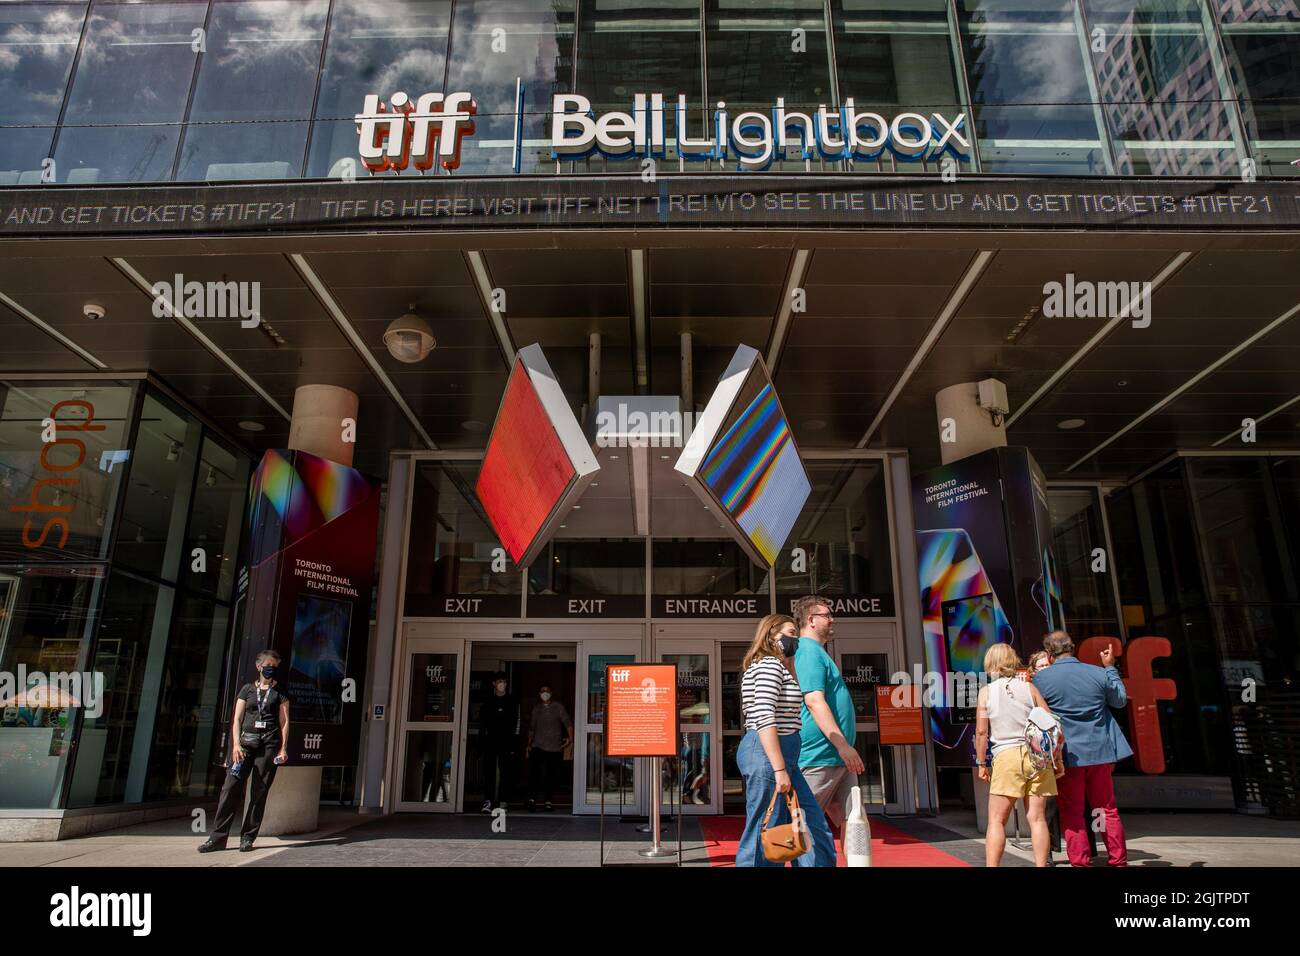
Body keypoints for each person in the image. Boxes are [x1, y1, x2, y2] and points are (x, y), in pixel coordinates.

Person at [736, 613, 836, 867]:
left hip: (784, 753)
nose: (796, 639)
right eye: (791, 634)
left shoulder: (778, 666)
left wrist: (789, 663)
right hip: (768, 751)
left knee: (809, 821)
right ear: (772, 636)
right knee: (765, 827)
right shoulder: (768, 666)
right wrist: (779, 768)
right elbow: (764, 716)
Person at [1032, 630, 1132, 867]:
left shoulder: (1041, 680)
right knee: (1105, 808)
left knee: (1072, 810)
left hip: (1068, 754)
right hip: (1101, 750)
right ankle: (1117, 860)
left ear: (1049, 653)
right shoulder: (1097, 672)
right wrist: (1110, 667)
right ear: (1073, 647)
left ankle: (1080, 861)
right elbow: (1119, 700)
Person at [975, 643, 1063, 867]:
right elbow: (1051, 724)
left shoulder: (986, 693)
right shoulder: (1029, 689)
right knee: (1037, 818)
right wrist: (1058, 759)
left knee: (996, 820)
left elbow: (982, 731)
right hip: (1037, 756)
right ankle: (1041, 865)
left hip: (1006, 756)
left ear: (990, 664)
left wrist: (981, 761)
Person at [199, 650, 290, 853]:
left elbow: (284, 722)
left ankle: (247, 838)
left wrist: (283, 748)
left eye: (274, 666)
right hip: (245, 746)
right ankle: (217, 838)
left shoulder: (280, 692)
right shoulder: (247, 690)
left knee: (259, 792)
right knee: (230, 789)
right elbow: (237, 719)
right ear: (258, 666)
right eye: (268, 665)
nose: (271, 669)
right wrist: (236, 746)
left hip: (268, 746)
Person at [791, 595, 865, 836]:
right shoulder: (809, 652)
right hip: (820, 757)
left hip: (835, 757)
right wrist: (843, 745)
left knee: (854, 823)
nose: (832, 620)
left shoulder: (817, 653)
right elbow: (813, 700)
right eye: (827, 615)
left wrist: (843, 749)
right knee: (803, 828)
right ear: (811, 620)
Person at [526, 683, 571, 811]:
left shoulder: (558, 707)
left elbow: (567, 723)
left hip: (554, 747)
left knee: (551, 775)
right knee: (534, 774)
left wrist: (571, 738)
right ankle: (532, 799)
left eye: (547, 691)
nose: (544, 693)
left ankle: (548, 801)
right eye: (542, 691)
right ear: (539, 694)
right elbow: (531, 728)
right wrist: (528, 744)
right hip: (537, 746)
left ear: (551, 693)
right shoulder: (537, 709)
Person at [479, 671, 518, 813]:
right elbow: (482, 725)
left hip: (506, 741)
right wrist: (481, 742)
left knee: (505, 771)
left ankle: (503, 800)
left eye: (505, 682)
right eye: (500, 682)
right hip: (491, 740)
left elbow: (516, 724)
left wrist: (514, 742)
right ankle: (488, 801)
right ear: (494, 684)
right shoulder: (488, 702)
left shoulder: (512, 701)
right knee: (488, 771)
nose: (502, 684)